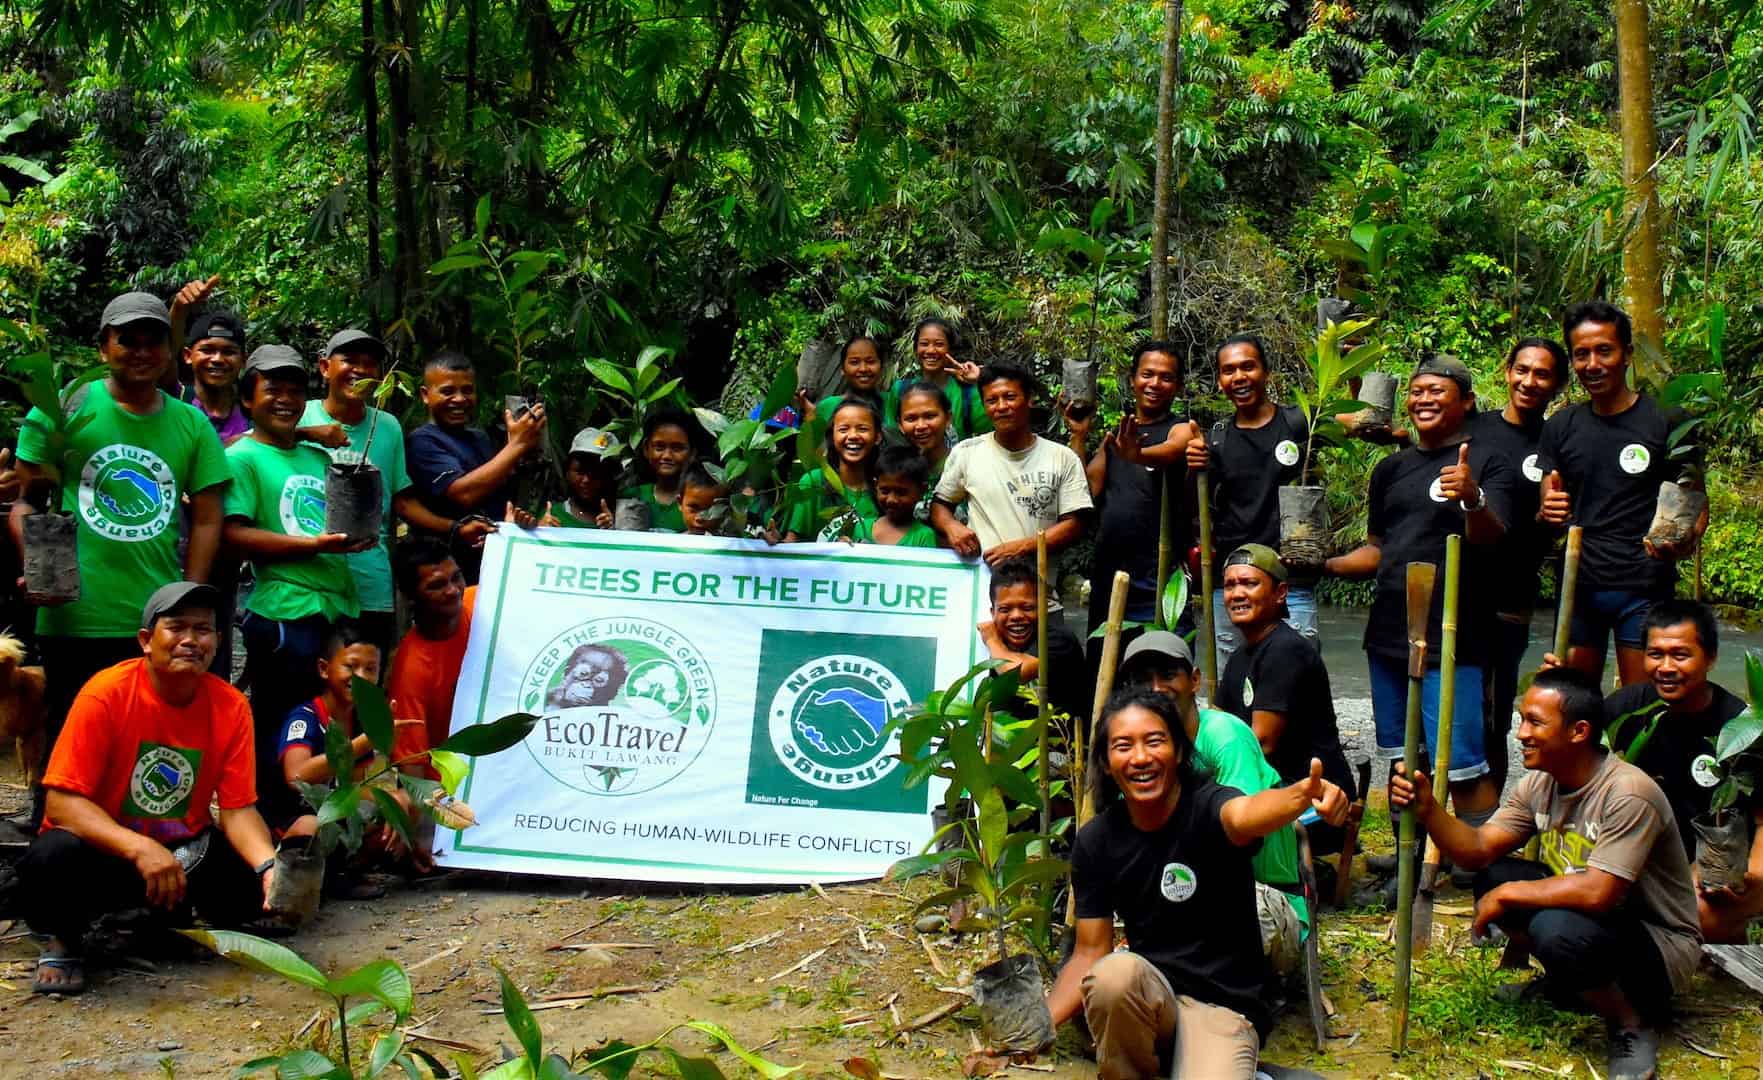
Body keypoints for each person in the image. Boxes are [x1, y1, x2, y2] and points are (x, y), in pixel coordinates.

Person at [1390, 667, 1701, 1080]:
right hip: (1601, 923)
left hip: (1660, 947)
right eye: (1521, 720)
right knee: (1493, 875)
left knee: (1553, 926)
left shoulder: (1628, 793)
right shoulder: (1539, 783)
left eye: (1535, 722)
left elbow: (1598, 893)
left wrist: (1509, 895)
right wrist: (1430, 811)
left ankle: (1631, 1024)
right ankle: (1571, 986)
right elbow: (1478, 850)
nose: (1521, 734)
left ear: (1579, 732)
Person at [9, 291, 232, 827]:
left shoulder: (190, 424)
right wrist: (37, 559)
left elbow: (207, 516)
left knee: (147, 746)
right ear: (103, 345)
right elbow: (24, 500)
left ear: (169, 348)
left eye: (152, 339)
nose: (140, 350)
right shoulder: (64, 407)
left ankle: (141, 865)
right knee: (68, 740)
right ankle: (55, 860)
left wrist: (189, 601)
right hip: (75, 612)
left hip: (150, 619)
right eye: (126, 339)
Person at [1048, 689, 1348, 1079]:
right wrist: (1037, 1030)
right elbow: (1089, 952)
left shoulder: (1209, 805)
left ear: (1178, 751)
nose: (1140, 758)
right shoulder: (1097, 841)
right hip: (1154, 1004)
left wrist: (1303, 795)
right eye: (1123, 746)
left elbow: (1247, 813)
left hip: (1223, 1009)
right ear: (1106, 762)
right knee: (1113, 976)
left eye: (1154, 741)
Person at [18, 582, 278, 996]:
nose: (191, 640)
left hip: (181, 853)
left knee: (250, 890)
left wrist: (268, 868)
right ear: (145, 640)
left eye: (204, 629)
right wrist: (140, 848)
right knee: (51, 858)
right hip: (104, 852)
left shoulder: (231, 705)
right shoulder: (106, 693)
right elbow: (62, 803)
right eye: (177, 627)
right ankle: (65, 939)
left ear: (218, 641)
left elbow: (237, 809)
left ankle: (156, 917)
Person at [1323, 355, 1513, 849]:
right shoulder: (1391, 469)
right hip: (1388, 629)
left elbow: (1492, 536)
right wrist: (1323, 564)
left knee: (1464, 759)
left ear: (1467, 401)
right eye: (1416, 390)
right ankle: (1407, 862)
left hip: (1455, 631)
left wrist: (1472, 497)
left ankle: (1479, 868)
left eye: (1437, 391)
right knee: (1403, 757)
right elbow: (1378, 548)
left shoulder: (1488, 459)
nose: (1423, 399)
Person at [224, 345, 370, 796]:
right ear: (248, 399)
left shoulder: (316, 457)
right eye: (273, 390)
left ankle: (323, 825)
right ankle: (273, 827)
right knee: (279, 725)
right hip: (285, 609)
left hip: (334, 607)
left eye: (294, 390)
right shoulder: (242, 457)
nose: (285, 398)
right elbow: (235, 533)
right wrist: (311, 547)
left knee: (327, 724)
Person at [1538, 302, 1705, 687]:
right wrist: (1547, 508)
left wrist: (1683, 541)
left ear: (1627, 354)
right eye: (1581, 354)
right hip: (1578, 587)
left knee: (1641, 707)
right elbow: (1549, 499)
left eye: (1604, 351)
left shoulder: (1668, 420)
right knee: (1573, 705)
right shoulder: (1561, 427)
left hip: (1644, 585)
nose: (1592, 364)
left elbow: (1695, 503)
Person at [1117, 631, 1314, 952]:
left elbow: (1240, 835)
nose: (1156, 689)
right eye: (1142, 680)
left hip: (1259, 895)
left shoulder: (1224, 735)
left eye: (1168, 675)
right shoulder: (1138, 754)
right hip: (1179, 894)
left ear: (1194, 680)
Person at [1591, 600, 1758, 942]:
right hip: (1635, 859)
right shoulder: (1625, 709)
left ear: (1710, 657)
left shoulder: (1742, 728)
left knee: (1703, 915)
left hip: (1713, 867)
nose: (1666, 667)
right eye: (1655, 654)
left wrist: (1751, 883)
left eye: (1680, 655)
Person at [303, 330, 459, 656]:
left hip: (371, 585)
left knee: (363, 688)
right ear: (324, 367)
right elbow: (243, 446)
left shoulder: (386, 426)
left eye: (370, 364)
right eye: (349, 361)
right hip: (312, 583)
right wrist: (304, 433)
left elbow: (401, 500)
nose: (360, 370)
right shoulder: (299, 416)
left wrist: (454, 528)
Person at [1213, 544, 1356, 853]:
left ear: (1280, 593)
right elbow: (1216, 724)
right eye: (1229, 585)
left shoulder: (1285, 650)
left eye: (1249, 584)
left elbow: (1260, 744)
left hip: (1318, 801)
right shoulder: (1240, 657)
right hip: (1269, 787)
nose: (1237, 594)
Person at [1473, 337, 1569, 789]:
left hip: (1511, 597)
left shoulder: (1560, 441)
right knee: (1443, 706)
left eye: (1542, 374)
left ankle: (1486, 827)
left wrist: (1552, 520)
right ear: (1506, 370)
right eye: (1522, 370)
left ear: (1558, 385)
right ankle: (1424, 837)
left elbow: (1560, 523)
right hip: (1456, 591)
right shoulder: (1474, 428)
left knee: (1493, 716)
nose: (1529, 382)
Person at [1186, 333, 1316, 667]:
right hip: (1233, 586)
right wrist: (1194, 467)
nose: (1239, 377)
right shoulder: (1216, 440)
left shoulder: (1300, 423)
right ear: (1219, 381)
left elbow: (1353, 422)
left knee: (1294, 681)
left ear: (1266, 372)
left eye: (1248, 367)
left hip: (1292, 581)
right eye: (1229, 370)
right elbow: (1197, 509)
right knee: (1232, 682)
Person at [1066, 340, 1196, 637]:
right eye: (1147, 374)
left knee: (1162, 669)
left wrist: (1138, 455)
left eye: (1166, 377)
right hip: (1110, 572)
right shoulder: (1116, 440)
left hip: (1159, 576)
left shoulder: (1181, 428)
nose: (1155, 383)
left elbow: (1172, 449)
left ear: (1177, 386)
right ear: (1132, 379)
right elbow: (1082, 492)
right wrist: (1078, 436)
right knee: (1104, 671)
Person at [273, 620, 413, 890]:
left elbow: (371, 783)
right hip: (298, 822)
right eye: (350, 667)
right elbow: (296, 775)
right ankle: (292, 891)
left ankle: (345, 875)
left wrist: (397, 799)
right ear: (324, 669)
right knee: (310, 826)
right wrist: (363, 743)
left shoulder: (366, 717)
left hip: (342, 817)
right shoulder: (306, 717)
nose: (360, 677)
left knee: (404, 801)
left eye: (370, 669)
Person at [931, 363, 1092, 565]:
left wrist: (1021, 548)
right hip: (980, 582)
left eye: (1009, 397)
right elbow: (940, 505)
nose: (1001, 407)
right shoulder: (967, 452)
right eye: (991, 400)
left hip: (1039, 587)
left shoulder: (1062, 457)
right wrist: (951, 526)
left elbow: (1075, 524)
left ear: (1029, 399)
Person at [405, 351, 536, 581]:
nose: (459, 399)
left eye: (467, 390)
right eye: (447, 391)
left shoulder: (479, 439)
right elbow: (462, 493)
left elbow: (497, 495)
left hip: (490, 566)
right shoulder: (422, 441)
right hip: (444, 573)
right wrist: (518, 444)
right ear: (426, 395)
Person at [386, 539, 475, 788]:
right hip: (455, 785)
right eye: (437, 585)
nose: (453, 590)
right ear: (411, 595)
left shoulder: (482, 599)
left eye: (456, 577)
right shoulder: (411, 670)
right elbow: (412, 763)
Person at [977, 558, 1087, 722]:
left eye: (1027, 608)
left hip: (1060, 744)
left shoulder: (1059, 640)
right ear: (993, 613)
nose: (1016, 616)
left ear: (1043, 608)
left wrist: (992, 640)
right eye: (1005, 609)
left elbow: (1016, 673)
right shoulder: (1001, 646)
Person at [783, 398, 881, 541]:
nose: (853, 436)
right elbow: (792, 542)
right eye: (843, 429)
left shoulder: (885, 489)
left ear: (878, 437)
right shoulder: (813, 482)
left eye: (862, 429)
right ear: (832, 437)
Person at [890, 318, 989, 441]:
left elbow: (999, 424)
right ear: (916, 349)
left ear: (950, 349)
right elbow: (892, 436)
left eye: (939, 344)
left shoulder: (967, 392)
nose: (931, 350)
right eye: (924, 344)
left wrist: (981, 379)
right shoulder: (900, 390)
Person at [618, 407, 705, 533]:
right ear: (646, 449)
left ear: (692, 453)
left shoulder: (700, 501)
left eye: (677, 448)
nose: (667, 456)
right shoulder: (632, 495)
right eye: (659, 447)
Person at [178, 310, 251, 445]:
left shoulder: (252, 413)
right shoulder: (176, 400)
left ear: (243, 360)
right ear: (188, 355)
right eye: (207, 350)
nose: (217, 359)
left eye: (229, 352)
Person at [856, 444, 939, 547]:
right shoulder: (861, 528)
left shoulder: (924, 536)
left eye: (901, 493)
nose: (891, 500)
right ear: (876, 485)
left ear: (922, 490)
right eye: (885, 491)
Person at [895, 380, 955, 519]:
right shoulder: (895, 471)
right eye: (911, 418)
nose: (921, 426)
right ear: (900, 425)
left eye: (930, 416)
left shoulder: (965, 463)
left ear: (948, 418)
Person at [802, 335, 889, 425]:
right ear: (843, 369)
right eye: (854, 362)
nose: (863, 369)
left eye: (870, 361)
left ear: (881, 366)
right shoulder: (827, 407)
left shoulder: (893, 402)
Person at [550, 427, 619, 528]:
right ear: (567, 472)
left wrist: (614, 531)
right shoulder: (552, 516)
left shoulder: (624, 516)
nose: (586, 480)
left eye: (595, 473)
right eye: (580, 471)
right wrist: (541, 530)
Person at [678, 463, 728, 536]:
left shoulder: (735, 545)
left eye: (711, 510)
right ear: (680, 502)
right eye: (694, 508)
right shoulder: (672, 543)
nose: (700, 518)